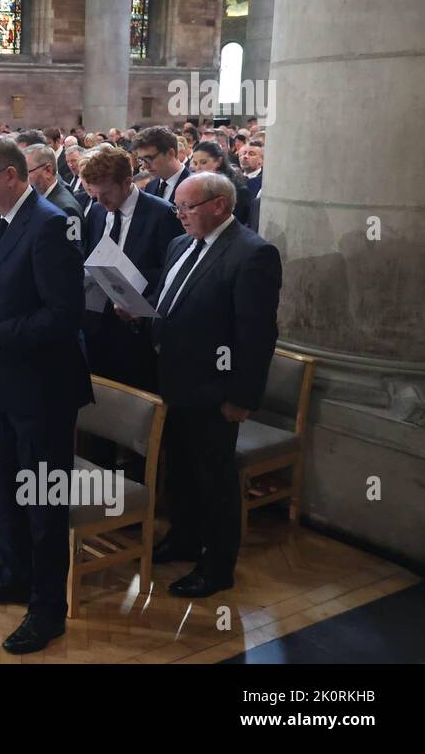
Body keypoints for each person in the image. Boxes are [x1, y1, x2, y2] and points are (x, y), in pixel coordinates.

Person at [0, 135, 92, 655]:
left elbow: (63, 314)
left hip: (43, 390)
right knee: (7, 489)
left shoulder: (51, 225)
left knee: (43, 500)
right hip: (2, 381)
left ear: (12, 175)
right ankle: (12, 576)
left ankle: (48, 609)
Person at [141, 172, 281, 597]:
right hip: (174, 381)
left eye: (188, 207)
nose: (179, 215)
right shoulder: (181, 244)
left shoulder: (252, 254)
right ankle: (183, 538)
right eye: (178, 207)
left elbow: (256, 335)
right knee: (180, 470)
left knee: (215, 480)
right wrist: (142, 310)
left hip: (215, 389)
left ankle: (218, 566)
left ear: (220, 205)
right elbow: (173, 298)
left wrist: (241, 397)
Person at [79, 147, 182, 393]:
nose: (100, 202)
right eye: (94, 195)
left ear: (127, 182)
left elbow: (172, 272)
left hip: (135, 328)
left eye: (105, 194)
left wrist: (130, 279)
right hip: (97, 322)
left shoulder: (161, 214)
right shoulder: (96, 211)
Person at [24, 142, 84, 251]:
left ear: (48, 170)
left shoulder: (67, 209)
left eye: (27, 172)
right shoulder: (40, 198)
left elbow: (72, 256)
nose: (23, 179)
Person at [190, 140, 254, 230]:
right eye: (195, 163)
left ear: (219, 162)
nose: (198, 168)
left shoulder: (239, 191)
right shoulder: (194, 187)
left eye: (203, 162)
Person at [134, 126, 191, 203]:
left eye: (149, 159)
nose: (144, 166)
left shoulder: (193, 186)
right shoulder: (150, 186)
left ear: (170, 154)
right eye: (141, 160)